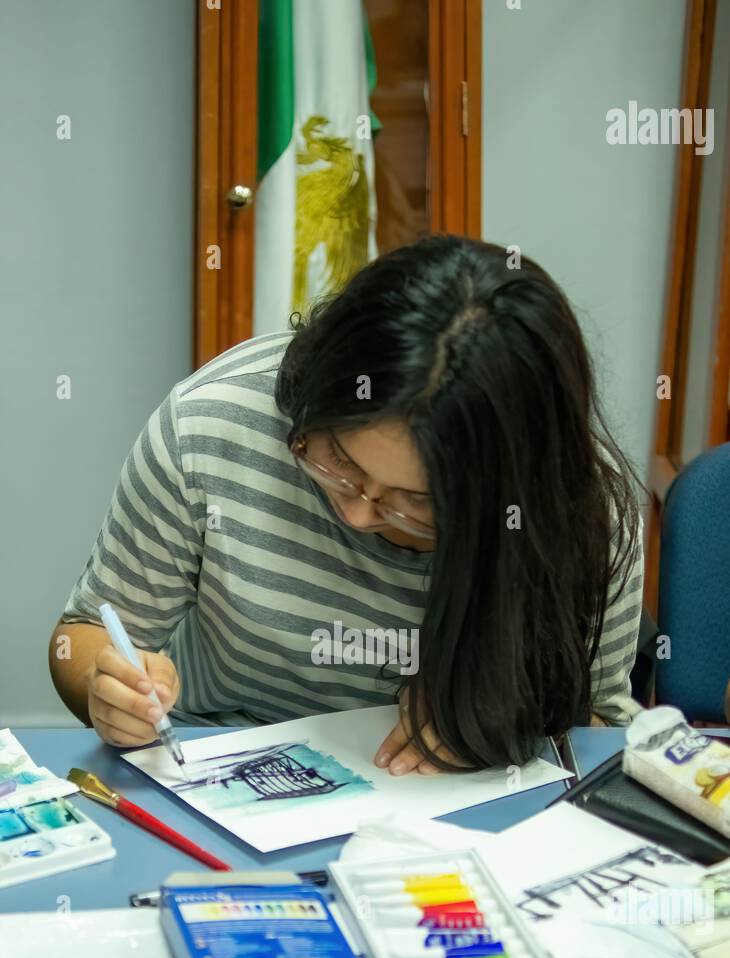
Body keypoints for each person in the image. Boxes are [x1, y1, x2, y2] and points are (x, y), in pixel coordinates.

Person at [49, 235, 644, 775]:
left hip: (466, 800)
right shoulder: (211, 424)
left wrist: (496, 720)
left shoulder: (582, 508)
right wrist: (110, 691)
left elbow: (597, 730)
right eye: (337, 460)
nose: (359, 514)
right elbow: (79, 637)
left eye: (416, 502)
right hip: (218, 769)